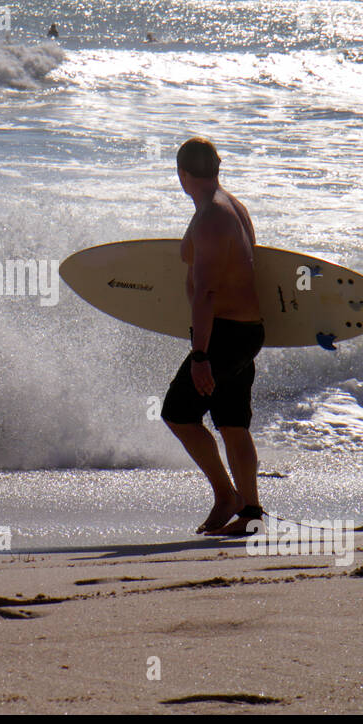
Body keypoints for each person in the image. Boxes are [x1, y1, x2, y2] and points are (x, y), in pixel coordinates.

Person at [160, 137, 266, 536]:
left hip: (222, 336)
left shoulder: (209, 219)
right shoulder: (233, 207)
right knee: (232, 423)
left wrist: (201, 355)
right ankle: (250, 513)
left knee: (178, 413)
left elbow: (206, 292)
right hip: (246, 331)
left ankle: (227, 495)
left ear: (183, 175)